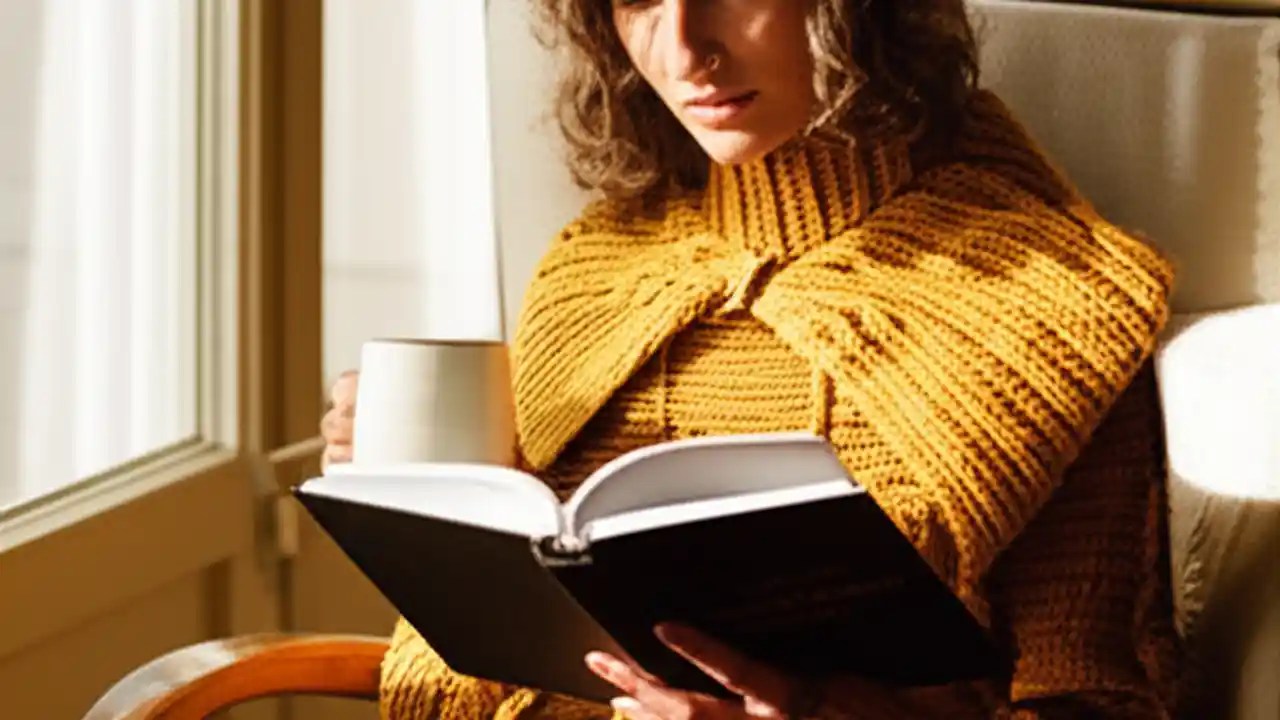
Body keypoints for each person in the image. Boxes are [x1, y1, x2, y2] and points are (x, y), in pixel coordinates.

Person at [322, 0, 1182, 717]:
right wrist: (427, 495)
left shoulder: (1057, 306)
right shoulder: (592, 272)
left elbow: (1096, 698)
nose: (686, 46)